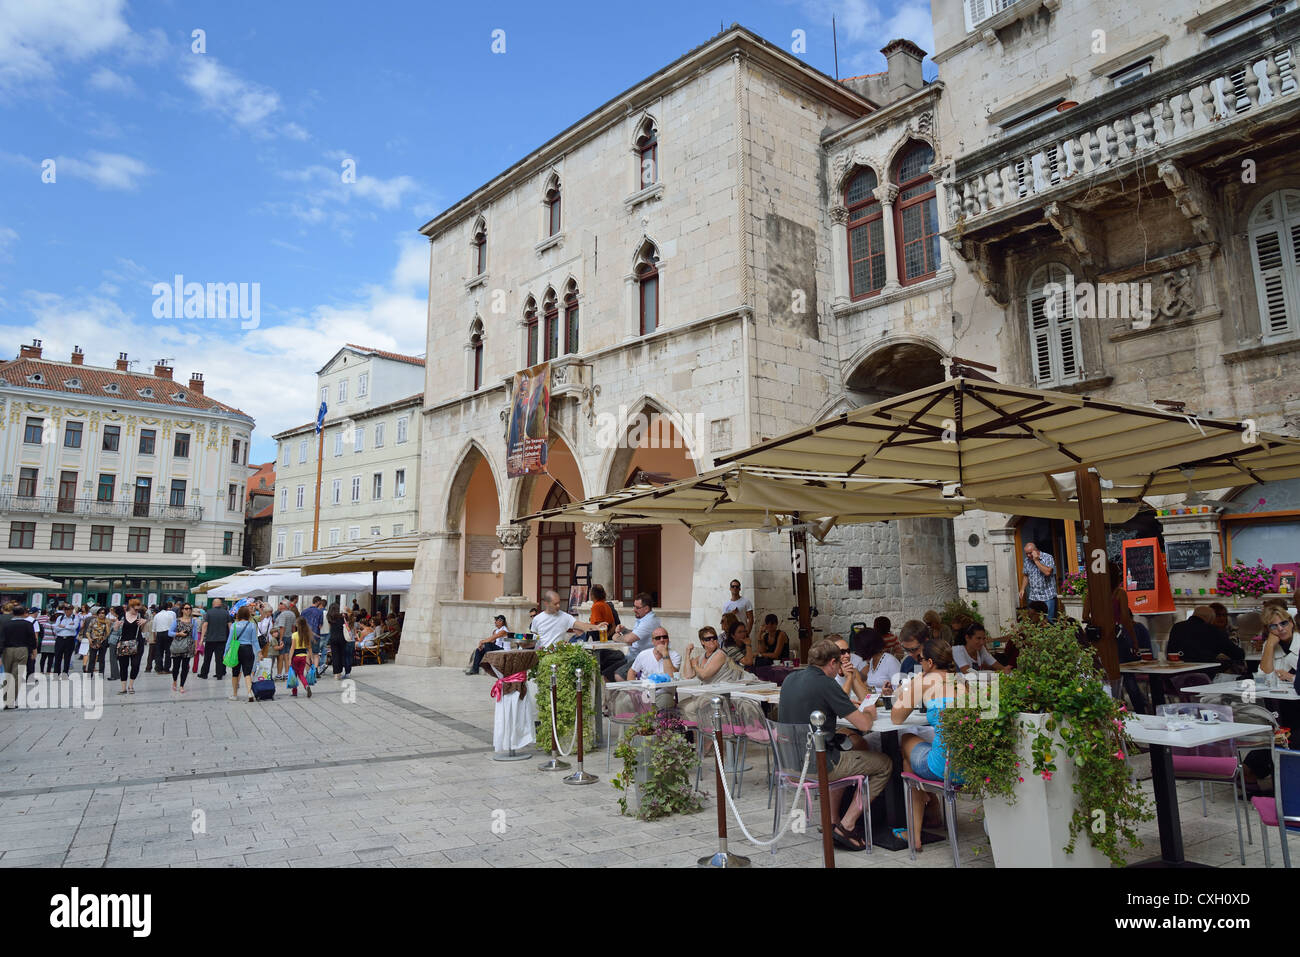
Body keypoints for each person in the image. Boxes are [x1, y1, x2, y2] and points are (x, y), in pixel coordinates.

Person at [778, 639, 893, 852]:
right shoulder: (826, 683)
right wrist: (869, 711)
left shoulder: (790, 679)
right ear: (832, 663)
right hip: (817, 766)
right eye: (838, 664)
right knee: (884, 763)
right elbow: (864, 724)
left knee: (848, 748)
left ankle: (833, 820)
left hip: (788, 763)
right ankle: (847, 825)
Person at [891, 639, 965, 853]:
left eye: (921, 659)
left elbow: (896, 717)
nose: (918, 662)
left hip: (942, 768)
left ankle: (914, 833)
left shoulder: (925, 681)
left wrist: (916, 682)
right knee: (930, 741)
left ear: (930, 662)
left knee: (906, 739)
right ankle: (931, 808)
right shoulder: (962, 683)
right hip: (969, 768)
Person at [1168, 606, 1245, 666]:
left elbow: (1170, 650)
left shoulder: (1177, 627)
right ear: (1211, 618)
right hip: (1205, 672)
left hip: (1179, 668)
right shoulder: (1212, 630)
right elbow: (1237, 654)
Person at [607, 592, 658, 681]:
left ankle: (635, 694)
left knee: (619, 675)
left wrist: (616, 638)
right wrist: (624, 630)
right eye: (634, 606)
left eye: (637, 608)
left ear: (646, 609)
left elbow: (630, 639)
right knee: (606, 670)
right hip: (632, 656)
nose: (634, 610)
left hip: (642, 658)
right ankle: (609, 694)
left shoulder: (649, 621)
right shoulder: (643, 618)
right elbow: (636, 633)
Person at [681, 626, 748, 684]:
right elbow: (688, 675)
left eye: (714, 637)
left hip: (726, 691)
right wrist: (687, 653)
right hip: (710, 691)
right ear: (702, 642)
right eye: (708, 639)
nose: (712, 640)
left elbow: (705, 674)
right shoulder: (701, 657)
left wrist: (695, 666)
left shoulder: (720, 654)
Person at [1, 607, 37, 710]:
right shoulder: (28, 624)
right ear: (23, 614)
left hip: (7, 650)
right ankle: (11, 701)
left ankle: (5, 699)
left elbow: (1, 639)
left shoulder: (6, 625)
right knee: (16, 676)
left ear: (13, 613)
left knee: (7, 674)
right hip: (22, 650)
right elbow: (32, 639)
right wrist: (33, 651)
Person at [1020, 541, 1058, 620]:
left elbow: (1047, 572)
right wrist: (1022, 589)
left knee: (1049, 621)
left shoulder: (1048, 557)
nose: (1028, 555)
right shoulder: (1027, 560)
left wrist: (1036, 561)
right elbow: (1026, 575)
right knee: (1033, 621)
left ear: (1035, 550)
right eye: (1026, 553)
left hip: (1048, 596)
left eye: (1030, 553)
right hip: (1034, 596)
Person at [229, 606, 259, 701]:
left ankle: (234, 694)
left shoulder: (234, 625)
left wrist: (225, 652)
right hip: (248, 649)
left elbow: (229, 641)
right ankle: (249, 693)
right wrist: (259, 652)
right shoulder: (252, 625)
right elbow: (255, 641)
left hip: (237, 650)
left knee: (235, 673)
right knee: (247, 673)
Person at [117, 599, 146, 696]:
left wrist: (144, 622)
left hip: (137, 643)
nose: (137, 611)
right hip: (124, 643)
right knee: (123, 665)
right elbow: (116, 630)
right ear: (130, 607)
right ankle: (123, 688)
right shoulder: (122, 616)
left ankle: (131, 685)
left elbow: (146, 629)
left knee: (135, 664)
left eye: (138, 609)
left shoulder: (140, 616)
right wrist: (116, 626)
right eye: (135, 609)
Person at [1260, 606, 1298, 681]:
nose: (1280, 629)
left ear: (1291, 623)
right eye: (1273, 626)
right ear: (1269, 630)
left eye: (1283, 623)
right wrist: (1269, 645)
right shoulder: (1268, 644)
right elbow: (1264, 677)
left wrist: (1292, 677)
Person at [198, 598, 231, 680]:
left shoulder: (208, 612)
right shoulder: (226, 613)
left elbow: (205, 625)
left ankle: (204, 674)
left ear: (213, 604)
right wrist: (231, 638)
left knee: (207, 658)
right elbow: (230, 626)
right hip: (222, 640)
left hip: (210, 639)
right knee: (219, 658)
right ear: (220, 604)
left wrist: (202, 639)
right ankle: (219, 675)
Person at [832, 636, 871, 703]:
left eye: (848, 651)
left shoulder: (852, 670)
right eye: (842, 652)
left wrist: (854, 677)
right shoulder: (826, 674)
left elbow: (868, 701)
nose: (847, 655)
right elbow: (839, 704)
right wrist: (849, 678)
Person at [169, 604, 197, 693]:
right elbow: (169, 633)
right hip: (177, 645)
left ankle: (182, 685)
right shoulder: (176, 621)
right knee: (176, 667)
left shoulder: (193, 621)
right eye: (186, 608)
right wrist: (178, 634)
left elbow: (195, 635)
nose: (188, 610)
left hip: (188, 646)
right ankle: (174, 681)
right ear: (182, 610)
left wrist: (196, 647)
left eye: (189, 608)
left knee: (185, 667)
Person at [289, 616, 313, 698]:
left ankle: (294, 691)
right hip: (303, 656)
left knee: (294, 674)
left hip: (295, 656)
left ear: (298, 625)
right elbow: (309, 647)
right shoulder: (307, 634)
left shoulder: (294, 635)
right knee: (301, 674)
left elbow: (292, 648)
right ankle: (306, 686)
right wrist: (311, 658)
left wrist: (289, 659)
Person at [52, 604, 79, 679]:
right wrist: (68, 626)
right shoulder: (60, 618)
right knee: (58, 656)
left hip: (69, 639)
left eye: (69, 609)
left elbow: (74, 627)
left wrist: (63, 626)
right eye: (66, 609)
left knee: (67, 657)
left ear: (72, 610)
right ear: (64, 610)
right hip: (60, 639)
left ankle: (65, 673)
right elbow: (55, 628)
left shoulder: (75, 618)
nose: (67, 611)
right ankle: (56, 674)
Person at [150, 601, 176, 676]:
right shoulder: (171, 614)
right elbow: (174, 625)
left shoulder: (157, 616)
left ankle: (159, 668)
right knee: (168, 652)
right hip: (168, 634)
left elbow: (154, 629)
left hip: (159, 634)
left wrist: (155, 638)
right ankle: (166, 668)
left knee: (159, 652)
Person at [273, 600, 297, 681]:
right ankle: (287, 673)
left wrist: (280, 639)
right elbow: (294, 626)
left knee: (280, 656)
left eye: (281, 604)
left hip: (282, 636)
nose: (279, 605)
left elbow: (282, 627)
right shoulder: (292, 614)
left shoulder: (283, 614)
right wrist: (294, 636)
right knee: (287, 656)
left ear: (284, 606)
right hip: (290, 636)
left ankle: (279, 674)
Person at [85, 607, 111, 676]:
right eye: (99, 613)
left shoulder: (107, 621)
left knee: (102, 659)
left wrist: (107, 625)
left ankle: (101, 674)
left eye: (103, 613)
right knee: (92, 658)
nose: (101, 615)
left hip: (103, 641)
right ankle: (90, 674)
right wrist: (89, 639)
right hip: (93, 641)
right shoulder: (93, 621)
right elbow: (88, 631)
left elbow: (108, 633)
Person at [327, 603, 350, 679]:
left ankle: (336, 673)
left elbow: (330, 628)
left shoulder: (329, 617)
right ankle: (340, 671)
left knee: (335, 656)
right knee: (341, 655)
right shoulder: (341, 617)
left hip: (333, 638)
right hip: (342, 637)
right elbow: (347, 624)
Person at [304, 597, 325, 671]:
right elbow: (320, 625)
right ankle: (315, 671)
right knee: (316, 654)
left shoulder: (304, 611)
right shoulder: (319, 612)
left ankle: (308, 671)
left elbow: (301, 624)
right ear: (318, 602)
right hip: (316, 635)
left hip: (306, 635)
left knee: (308, 654)